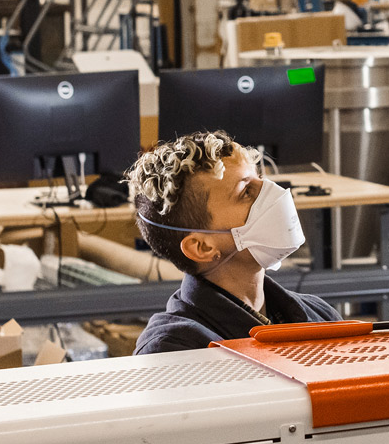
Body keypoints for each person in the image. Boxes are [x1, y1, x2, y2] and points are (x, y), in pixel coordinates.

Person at [127, 130, 336, 353]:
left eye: (261, 179)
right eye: (246, 191)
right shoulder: (174, 351)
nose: (272, 192)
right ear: (202, 247)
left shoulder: (319, 316)